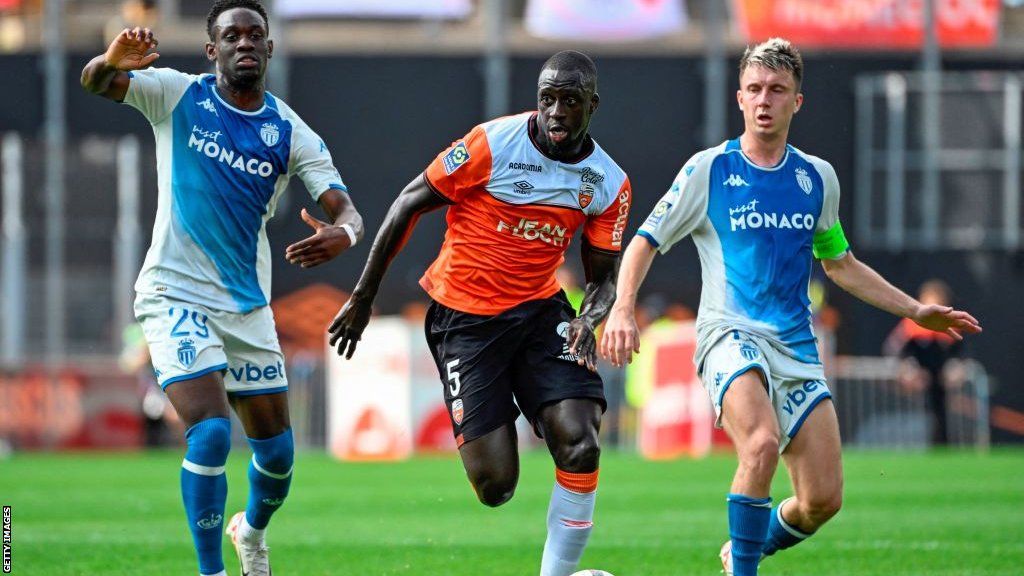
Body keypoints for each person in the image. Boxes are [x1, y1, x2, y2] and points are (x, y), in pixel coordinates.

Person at [599, 38, 981, 576]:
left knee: (822, 500)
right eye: (754, 89)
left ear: (796, 101)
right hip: (729, 334)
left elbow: (840, 264)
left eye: (777, 90)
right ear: (739, 98)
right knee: (760, 443)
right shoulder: (710, 170)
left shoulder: (817, 178)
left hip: (796, 348)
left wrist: (915, 310)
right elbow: (645, 240)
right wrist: (622, 308)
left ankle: (746, 548)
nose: (764, 100)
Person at [80, 2, 364, 574]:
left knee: (278, 457)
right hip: (174, 295)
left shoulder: (289, 131)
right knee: (209, 436)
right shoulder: (177, 95)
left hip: (245, 307)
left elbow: (344, 207)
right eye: (231, 36)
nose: (244, 43)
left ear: (269, 48)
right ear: (212, 50)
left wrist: (346, 234)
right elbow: (97, 82)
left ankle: (250, 533)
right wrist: (109, 58)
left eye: (254, 35)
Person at [328, 50, 631, 576]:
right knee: (496, 487)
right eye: (548, 99)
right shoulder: (491, 144)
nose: (557, 111)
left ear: (593, 105)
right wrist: (363, 296)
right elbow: (408, 203)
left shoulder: (608, 182)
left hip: (541, 313)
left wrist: (588, 318)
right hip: (464, 320)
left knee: (581, 444)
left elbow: (604, 277)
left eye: (571, 101)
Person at [884, 279, 967, 445]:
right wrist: (907, 369)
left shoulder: (949, 325)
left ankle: (941, 443)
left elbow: (960, 354)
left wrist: (955, 369)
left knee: (939, 413)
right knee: (916, 414)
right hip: (916, 380)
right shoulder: (912, 324)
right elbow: (894, 349)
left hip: (939, 381)